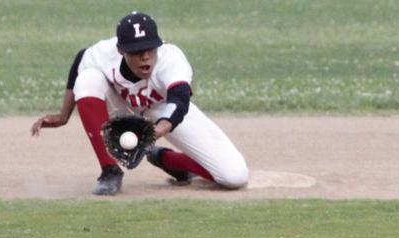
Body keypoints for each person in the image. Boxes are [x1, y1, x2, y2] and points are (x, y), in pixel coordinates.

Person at [30, 12, 250, 195]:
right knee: (88, 79)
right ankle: (110, 171)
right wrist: (64, 115)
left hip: (164, 110)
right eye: (137, 51)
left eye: (150, 49)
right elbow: (81, 59)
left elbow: (179, 100)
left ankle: (165, 158)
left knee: (234, 176)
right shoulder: (105, 53)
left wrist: (154, 132)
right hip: (120, 105)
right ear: (121, 50)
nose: (145, 56)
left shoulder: (171, 59)